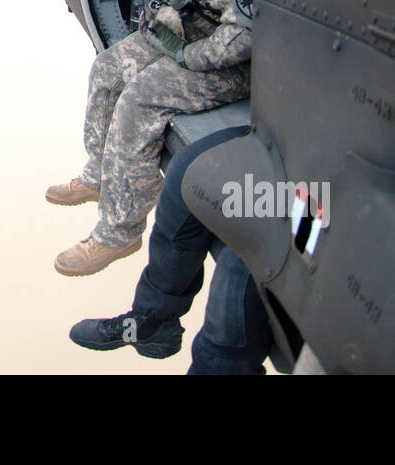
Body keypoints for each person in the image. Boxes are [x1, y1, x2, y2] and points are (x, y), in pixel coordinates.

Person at [46, 0, 254, 276]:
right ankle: (100, 173)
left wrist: (188, 55)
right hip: (190, 32)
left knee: (140, 99)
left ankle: (117, 233)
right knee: (107, 70)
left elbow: (247, 36)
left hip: (237, 61)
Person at [67, 135, 273, 374]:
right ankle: (152, 321)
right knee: (187, 169)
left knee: (240, 259)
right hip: (285, 137)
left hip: (316, 183)